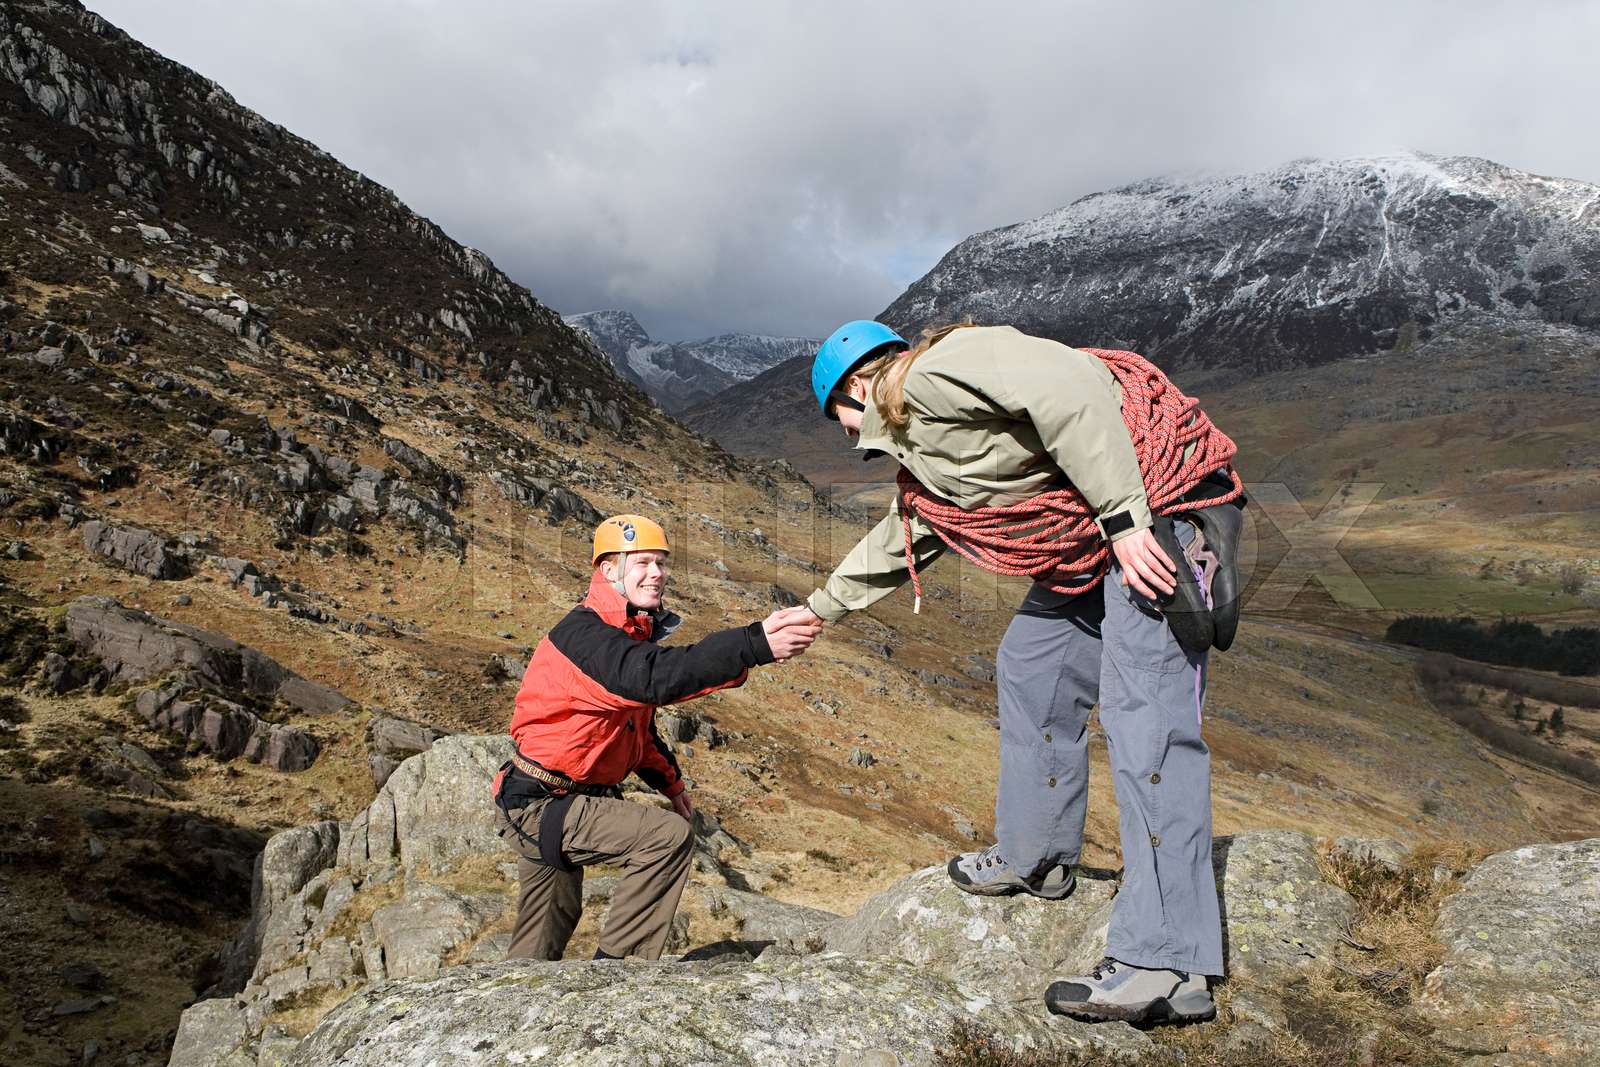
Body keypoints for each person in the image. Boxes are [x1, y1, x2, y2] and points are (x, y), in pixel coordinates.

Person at [794, 320, 1243, 1025]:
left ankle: (1168, 964)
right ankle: (1037, 854)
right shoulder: (924, 447)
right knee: (1032, 664)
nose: (848, 436)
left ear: (853, 386)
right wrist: (820, 610)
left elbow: (1070, 390)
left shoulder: (941, 368)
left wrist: (1127, 523)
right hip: (1093, 541)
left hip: (1153, 518)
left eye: (839, 420)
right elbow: (914, 530)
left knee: (1147, 724)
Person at [493, 513, 820, 961]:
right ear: (608, 569)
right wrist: (753, 644)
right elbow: (656, 679)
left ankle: (526, 993)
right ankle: (620, 973)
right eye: (643, 562)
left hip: (553, 800)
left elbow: (637, 732)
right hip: (541, 803)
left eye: (662, 563)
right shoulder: (584, 638)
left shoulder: (624, 633)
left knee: (545, 929)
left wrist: (673, 786)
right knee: (666, 837)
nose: (657, 573)